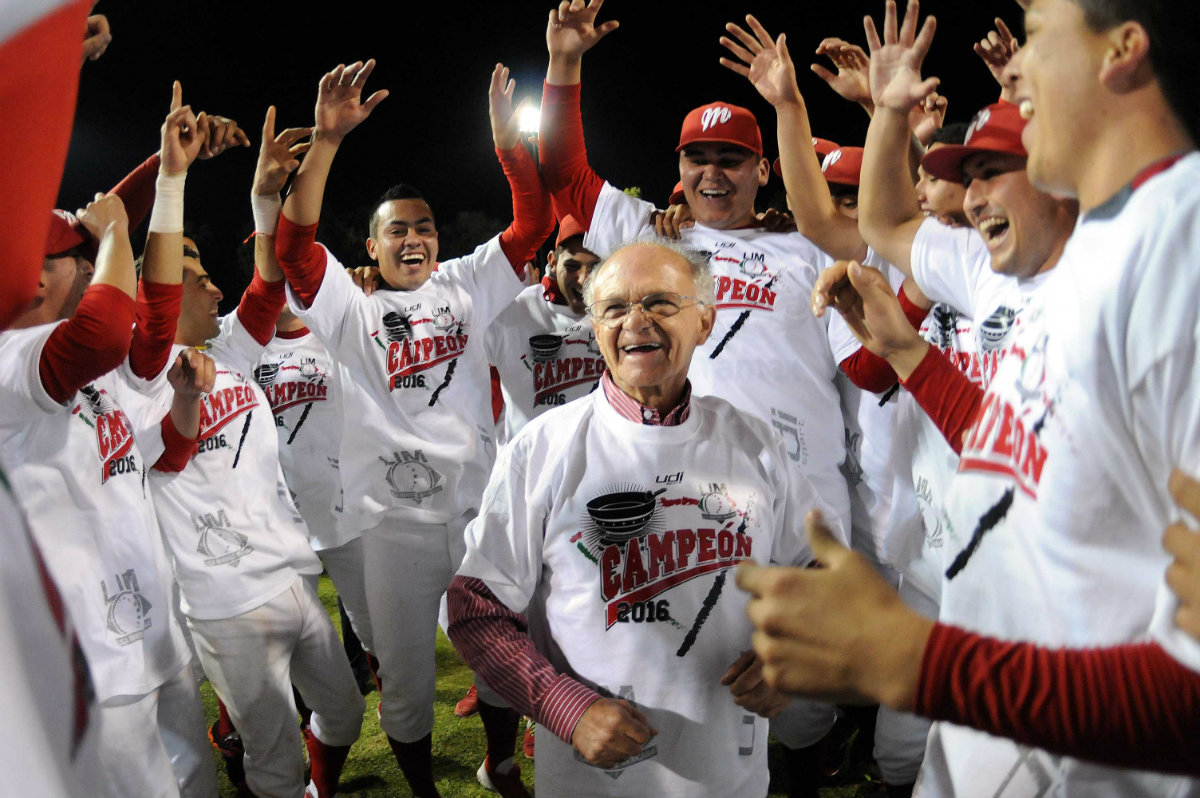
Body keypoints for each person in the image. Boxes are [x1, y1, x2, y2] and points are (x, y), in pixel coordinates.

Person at [738, 0, 1200, 789]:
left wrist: (923, 664)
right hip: (1003, 737)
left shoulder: (1180, 246)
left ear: (1124, 49)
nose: (1014, 67)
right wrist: (914, 355)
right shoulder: (1085, 250)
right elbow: (1036, 449)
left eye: (1041, 39)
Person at [447, 238, 843, 798]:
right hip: (593, 782)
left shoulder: (753, 442)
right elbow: (474, 608)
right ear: (593, 328)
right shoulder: (544, 448)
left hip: (729, 775)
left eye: (659, 302)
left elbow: (825, 571)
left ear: (705, 321)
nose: (636, 321)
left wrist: (800, 652)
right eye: (613, 308)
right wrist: (564, 707)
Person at [275, 60, 552, 798]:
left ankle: (499, 764)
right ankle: (424, 792)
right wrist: (328, 141)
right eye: (397, 230)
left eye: (424, 227)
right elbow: (294, 252)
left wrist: (505, 144)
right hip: (391, 523)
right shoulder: (349, 311)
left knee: (502, 653)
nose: (415, 238)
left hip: (477, 510)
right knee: (403, 677)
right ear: (371, 248)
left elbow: (532, 225)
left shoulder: (464, 281)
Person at [141, 111, 365, 798]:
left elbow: (270, 285)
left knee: (348, 712)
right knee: (274, 760)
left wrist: (263, 197)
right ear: (162, 295)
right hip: (225, 599)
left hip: (292, 575)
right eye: (197, 276)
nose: (214, 287)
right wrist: (182, 401)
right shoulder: (136, 381)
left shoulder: (227, 349)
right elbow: (169, 455)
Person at [485, 212, 604, 444]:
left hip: (597, 469)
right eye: (572, 266)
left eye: (594, 267)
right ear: (552, 261)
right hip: (528, 472)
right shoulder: (514, 311)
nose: (583, 279)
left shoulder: (619, 314)